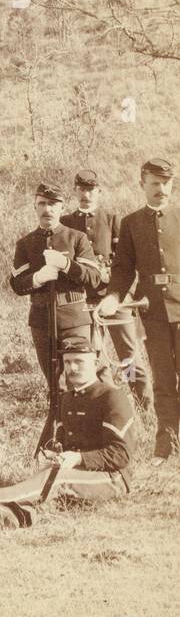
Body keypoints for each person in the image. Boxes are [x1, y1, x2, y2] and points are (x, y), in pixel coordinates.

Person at [0, 335, 132, 526]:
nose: (72, 368)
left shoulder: (111, 396)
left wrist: (79, 458)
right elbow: (66, 442)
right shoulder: (67, 399)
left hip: (112, 479)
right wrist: (55, 453)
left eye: (79, 362)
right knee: (51, 480)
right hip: (78, 474)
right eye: (68, 362)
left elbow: (122, 455)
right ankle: (11, 516)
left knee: (55, 479)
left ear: (95, 363)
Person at [10, 183, 103, 447]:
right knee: (55, 386)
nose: (47, 209)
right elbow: (16, 284)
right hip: (41, 321)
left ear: (62, 207)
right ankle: (57, 442)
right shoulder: (26, 243)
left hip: (74, 320)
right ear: (35, 207)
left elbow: (93, 278)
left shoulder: (77, 238)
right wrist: (37, 279)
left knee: (80, 381)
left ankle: (89, 442)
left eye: (53, 204)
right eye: (42, 204)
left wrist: (66, 265)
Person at [100, 158, 180, 464]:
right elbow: (122, 270)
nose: (161, 189)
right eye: (155, 183)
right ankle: (166, 445)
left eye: (166, 183)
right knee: (162, 379)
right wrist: (113, 297)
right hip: (153, 314)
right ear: (142, 185)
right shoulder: (131, 223)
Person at [63, 169, 152, 409]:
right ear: (75, 191)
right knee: (94, 359)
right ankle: (105, 408)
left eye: (91, 190)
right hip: (81, 302)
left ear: (99, 192)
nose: (86, 195)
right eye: (81, 189)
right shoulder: (66, 223)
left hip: (113, 300)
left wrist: (115, 289)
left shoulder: (112, 219)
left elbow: (124, 262)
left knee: (129, 357)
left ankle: (144, 408)